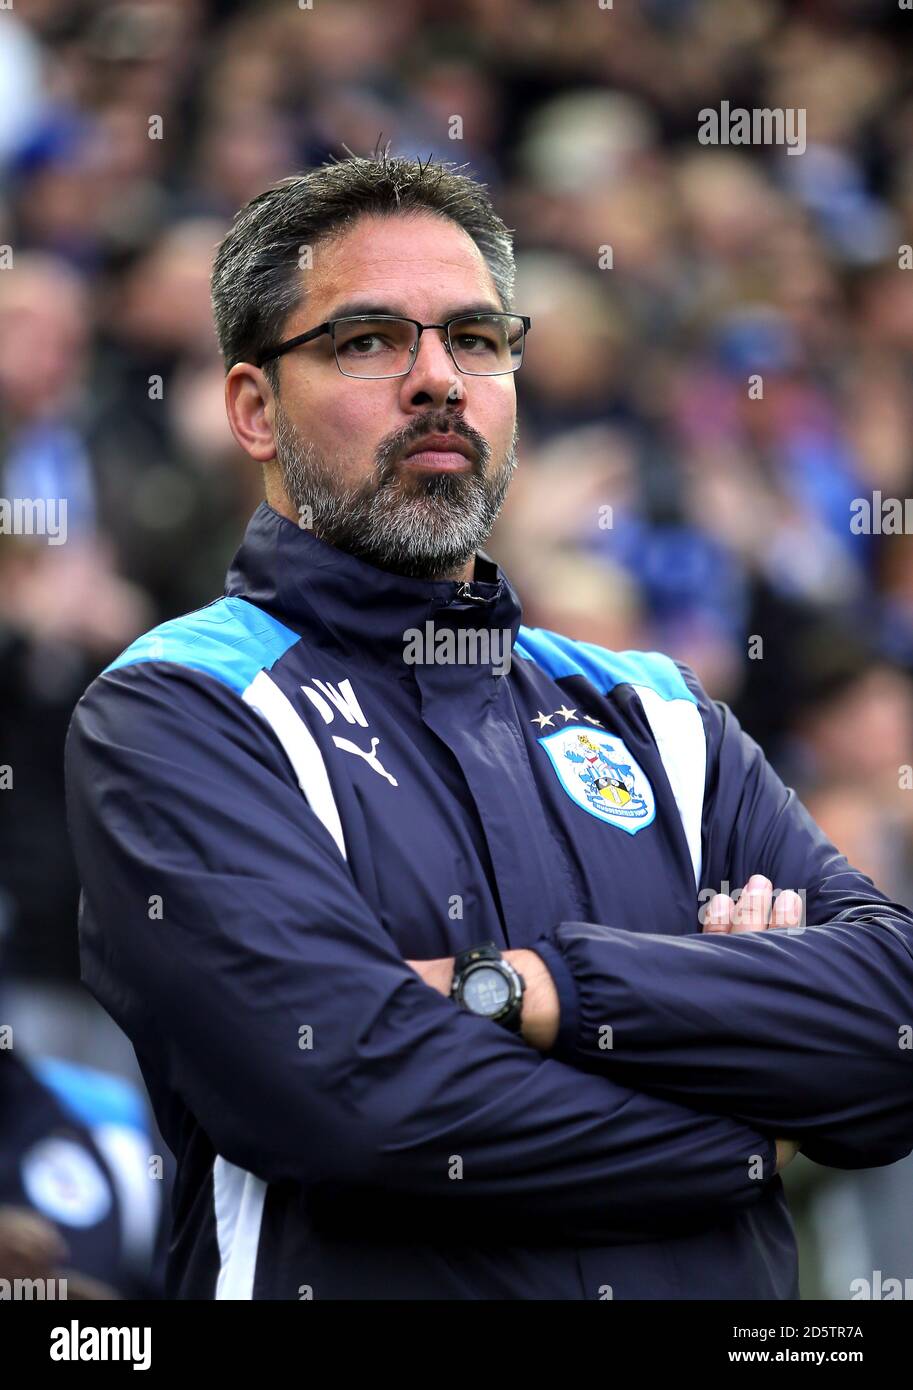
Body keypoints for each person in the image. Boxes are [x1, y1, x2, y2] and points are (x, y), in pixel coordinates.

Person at [64, 149, 913, 1300]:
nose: (438, 380)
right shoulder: (181, 707)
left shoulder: (654, 711)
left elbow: (889, 1027)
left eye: (475, 338)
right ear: (253, 409)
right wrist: (740, 1128)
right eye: (367, 340)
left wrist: (524, 989)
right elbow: (355, 1095)